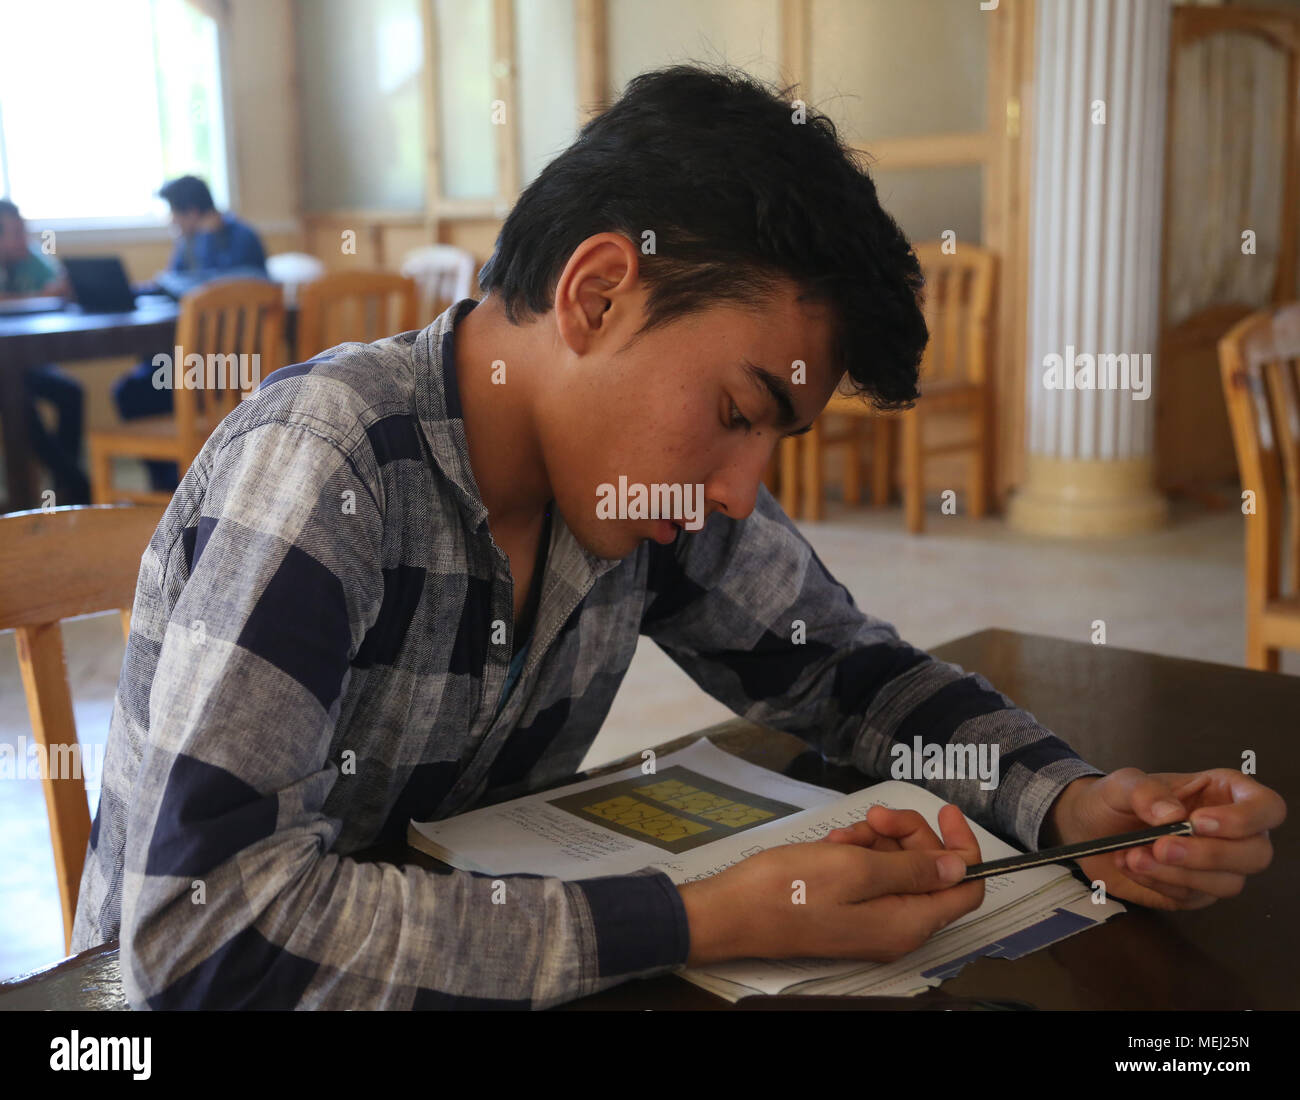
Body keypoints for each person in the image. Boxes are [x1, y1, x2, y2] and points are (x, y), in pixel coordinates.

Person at [70, 66, 1285, 1009]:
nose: (743, 489)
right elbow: (204, 937)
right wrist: (706, 916)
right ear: (600, 295)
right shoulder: (328, 464)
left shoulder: (635, 493)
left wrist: (1075, 805)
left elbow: (842, 668)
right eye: (736, 414)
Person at [112, 175, 268, 493]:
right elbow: (175, 281)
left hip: (231, 367)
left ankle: (182, 481)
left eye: (175, 213)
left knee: (143, 388)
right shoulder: (188, 241)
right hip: (193, 361)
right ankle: (172, 482)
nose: (172, 221)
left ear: (193, 211)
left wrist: (207, 242)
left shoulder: (241, 236)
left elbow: (249, 283)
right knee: (135, 385)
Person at [0, 198, 89, 504]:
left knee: (70, 391)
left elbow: (60, 284)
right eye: (15, 233)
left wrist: (63, 286)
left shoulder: (31, 259)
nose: (24, 238)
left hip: (18, 363)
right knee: (16, 400)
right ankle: (73, 483)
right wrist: (39, 295)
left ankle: (64, 488)